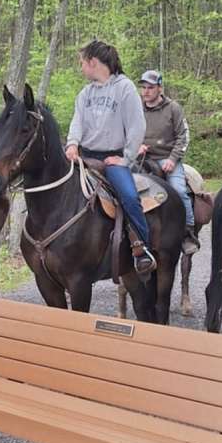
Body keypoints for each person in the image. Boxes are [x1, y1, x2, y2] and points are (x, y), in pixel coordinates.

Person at [64, 40, 156, 275]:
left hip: (112, 159)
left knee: (128, 196)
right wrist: (72, 144)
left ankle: (141, 250)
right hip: (85, 157)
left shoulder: (124, 88)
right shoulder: (85, 93)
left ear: (93, 62)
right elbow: (77, 122)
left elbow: (137, 126)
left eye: (82, 63)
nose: (81, 67)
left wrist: (125, 159)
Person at [137, 69, 199, 254]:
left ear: (159, 88)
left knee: (179, 190)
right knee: (127, 190)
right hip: (142, 158)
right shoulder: (137, 108)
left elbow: (183, 136)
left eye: (150, 87)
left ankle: (188, 232)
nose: (146, 91)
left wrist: (173, 159)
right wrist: (136, 146)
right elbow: (127, 132)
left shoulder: (173, 108)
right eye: (144, 87)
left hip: (167, 158)